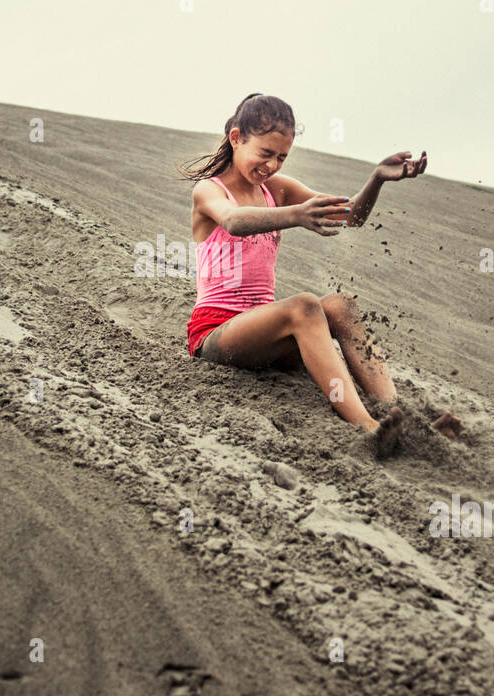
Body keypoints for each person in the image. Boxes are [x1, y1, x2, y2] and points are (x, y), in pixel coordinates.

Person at [179, 92, 462, 457]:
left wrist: (376, 178)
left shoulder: (276, 190)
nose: (272, 165)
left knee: (340, 304)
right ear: (237, 138)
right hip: (218, 335)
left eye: (281, 157)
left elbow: (351, 216)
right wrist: (296, 215)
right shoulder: (209, 190)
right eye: (265, 153)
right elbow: (234, 222)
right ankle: (369, 428)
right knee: (304, 306)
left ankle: (398, 416)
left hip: (269, 338)